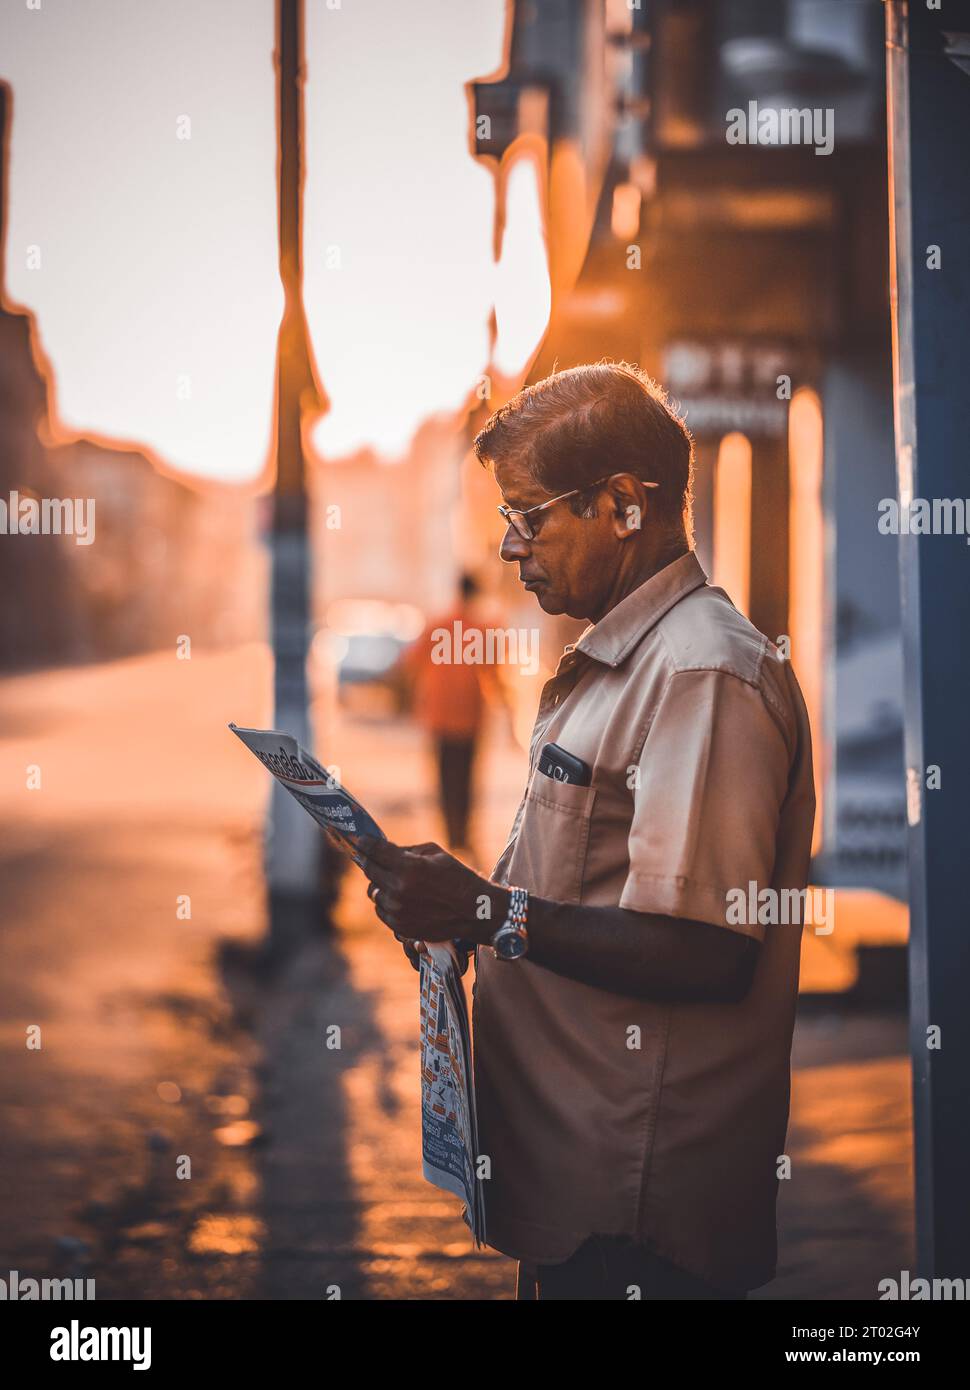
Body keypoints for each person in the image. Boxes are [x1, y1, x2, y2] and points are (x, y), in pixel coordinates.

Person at [358, 362, 815, 1301]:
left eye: (530, 517)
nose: (512, 550)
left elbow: (707, 951)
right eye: (507, 521)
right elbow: (588, 888)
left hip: (638, 1207)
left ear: (620, 504)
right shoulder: (621, 660)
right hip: (577, 1180)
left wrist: (492, 913)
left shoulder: (702, 673)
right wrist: (471, 917)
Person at [404, 573, 486, 853]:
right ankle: (462, 835)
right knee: (466, 778)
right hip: (471, 715)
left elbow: (412, 661)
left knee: (445, 777)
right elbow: (495, 672)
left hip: (440, 714)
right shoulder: (482, 629)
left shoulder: (439, 625)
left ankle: (451, 835)